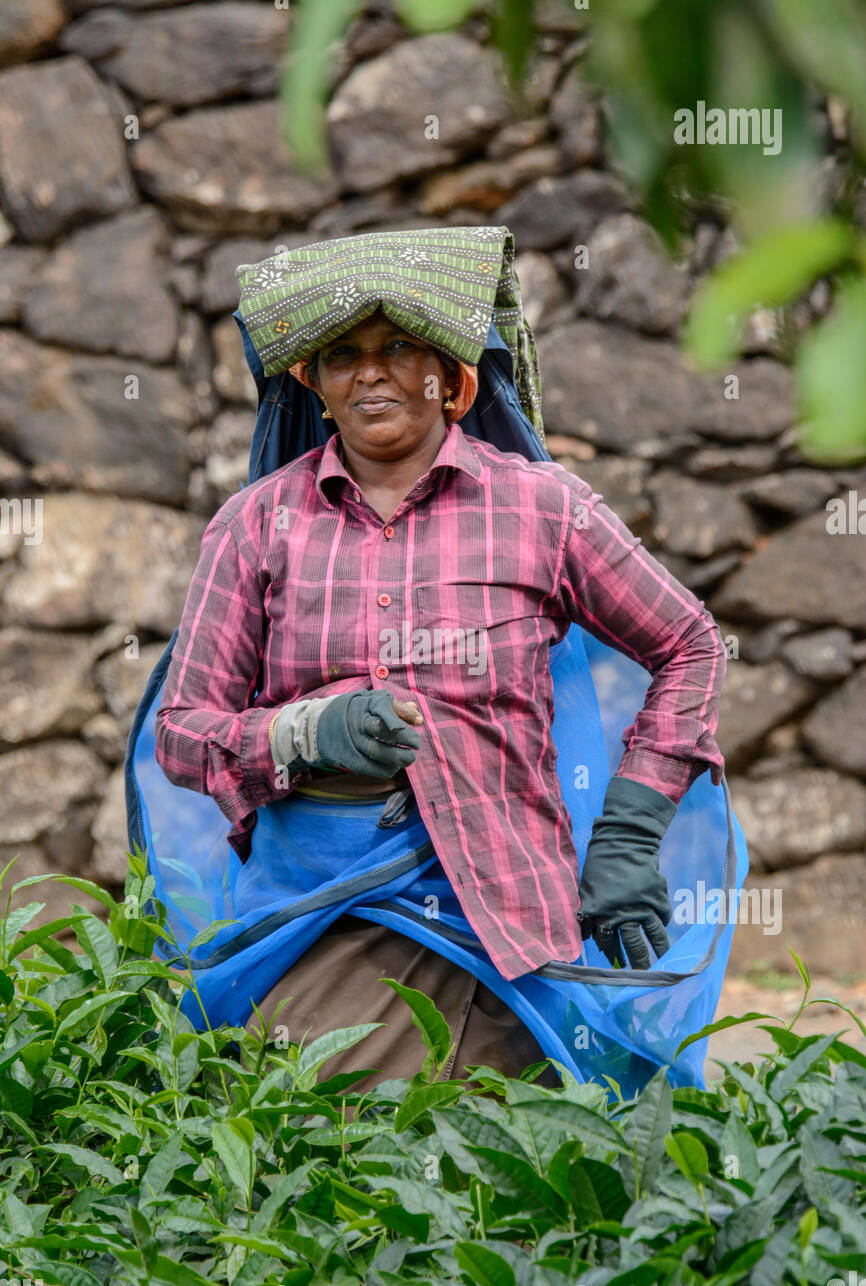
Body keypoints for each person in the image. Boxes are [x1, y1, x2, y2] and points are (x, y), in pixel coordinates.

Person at [154, 226, 727, 1089]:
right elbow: (181, 731)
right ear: (310, 379)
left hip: (508, 922)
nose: (372, 373)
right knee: (329, 1151)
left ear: (452, 378)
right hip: (321, 920)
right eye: (342, 353)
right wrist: (308, 732)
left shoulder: (541, 510)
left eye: (400, 349)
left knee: (523, 1187)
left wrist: (628, 836)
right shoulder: (258, 524)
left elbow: (689, 644)